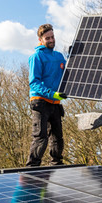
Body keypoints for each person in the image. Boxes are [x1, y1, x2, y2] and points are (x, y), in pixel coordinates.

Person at [26, 24, 67, 167]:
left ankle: (56, 166)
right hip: (40, 101)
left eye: (52, 37)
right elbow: (34, 83)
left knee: (57, 138)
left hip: (55, 103)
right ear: (40, 39)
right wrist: (52, 93)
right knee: (40, 137)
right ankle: (32, 168)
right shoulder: (36, 57)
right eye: (47, 38)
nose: (51, 40)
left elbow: (68, 76)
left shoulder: (59, 56)